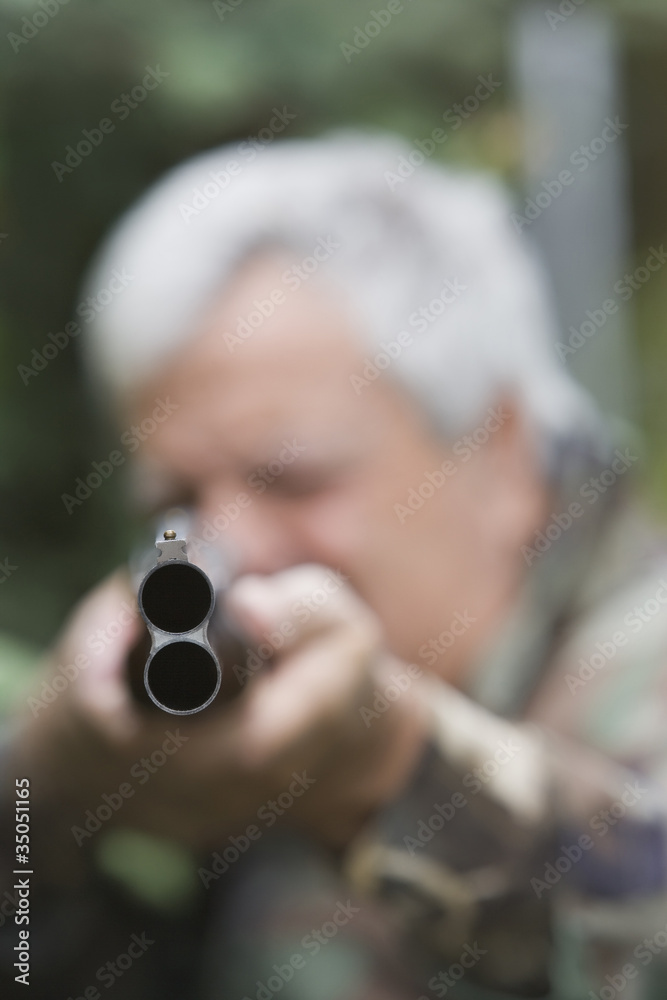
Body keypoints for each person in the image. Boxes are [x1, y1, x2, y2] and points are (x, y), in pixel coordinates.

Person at [2, 131, 667, 1000]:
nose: (230, 546)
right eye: (174, 500)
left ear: (500, 454)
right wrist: (37, 798)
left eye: (292, 477)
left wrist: (394, 775)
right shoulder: (238, 720)